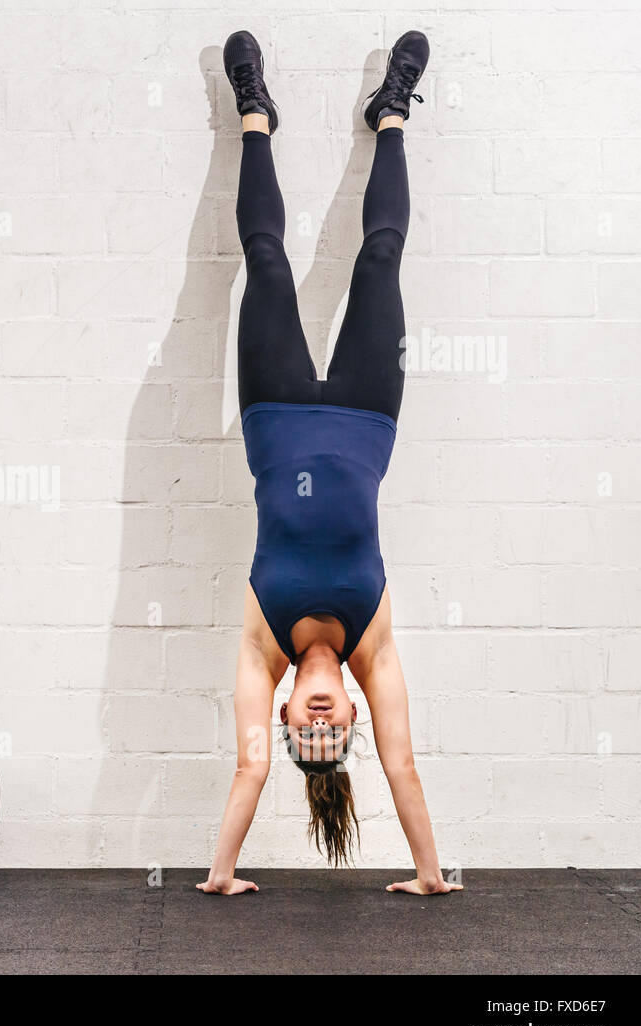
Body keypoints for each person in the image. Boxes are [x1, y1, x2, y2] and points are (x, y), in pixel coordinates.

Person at [197, 30, 462, 896]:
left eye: (299, 734)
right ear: (349, 713)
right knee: (381, 257)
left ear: (286, 714)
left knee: (266, 262)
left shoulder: (260, 647)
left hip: (273, 415)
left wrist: (220, 874)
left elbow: (248, 770)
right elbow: (405, 768)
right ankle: (391, 114)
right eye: (331, 733)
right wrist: (429, 874)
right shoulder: (375, 650)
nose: (317, 723)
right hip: (364, 415)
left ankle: (254, 113)